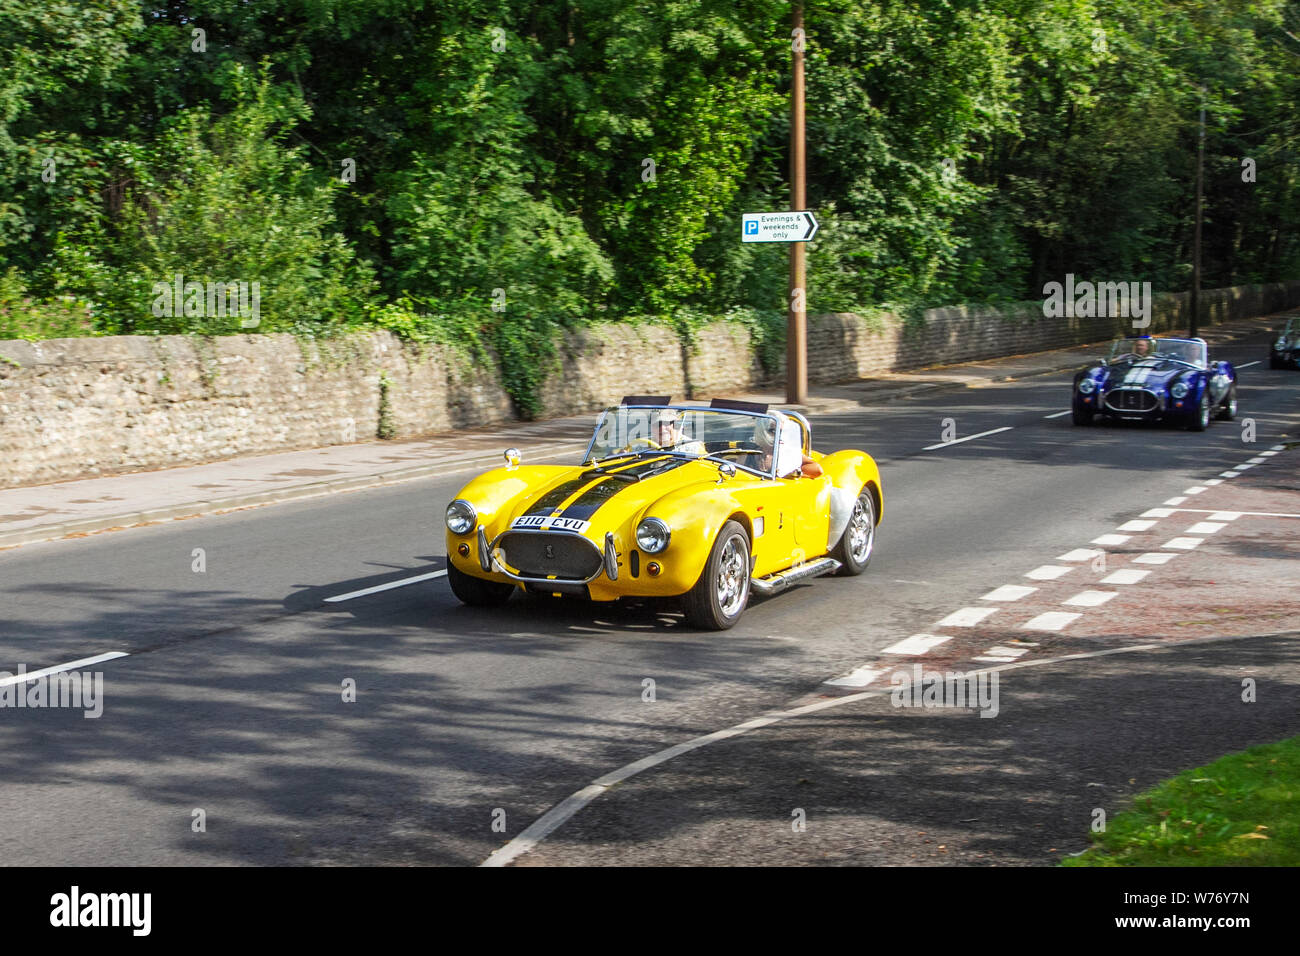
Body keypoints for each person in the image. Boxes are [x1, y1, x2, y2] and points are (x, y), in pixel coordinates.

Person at [747, 414, 822, 478]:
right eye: (773, 431)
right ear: (761, 431)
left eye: (782, 431)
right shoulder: (750, 453)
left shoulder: (787, 453)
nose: (779, 435)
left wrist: (792, 473)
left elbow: (817, 469)